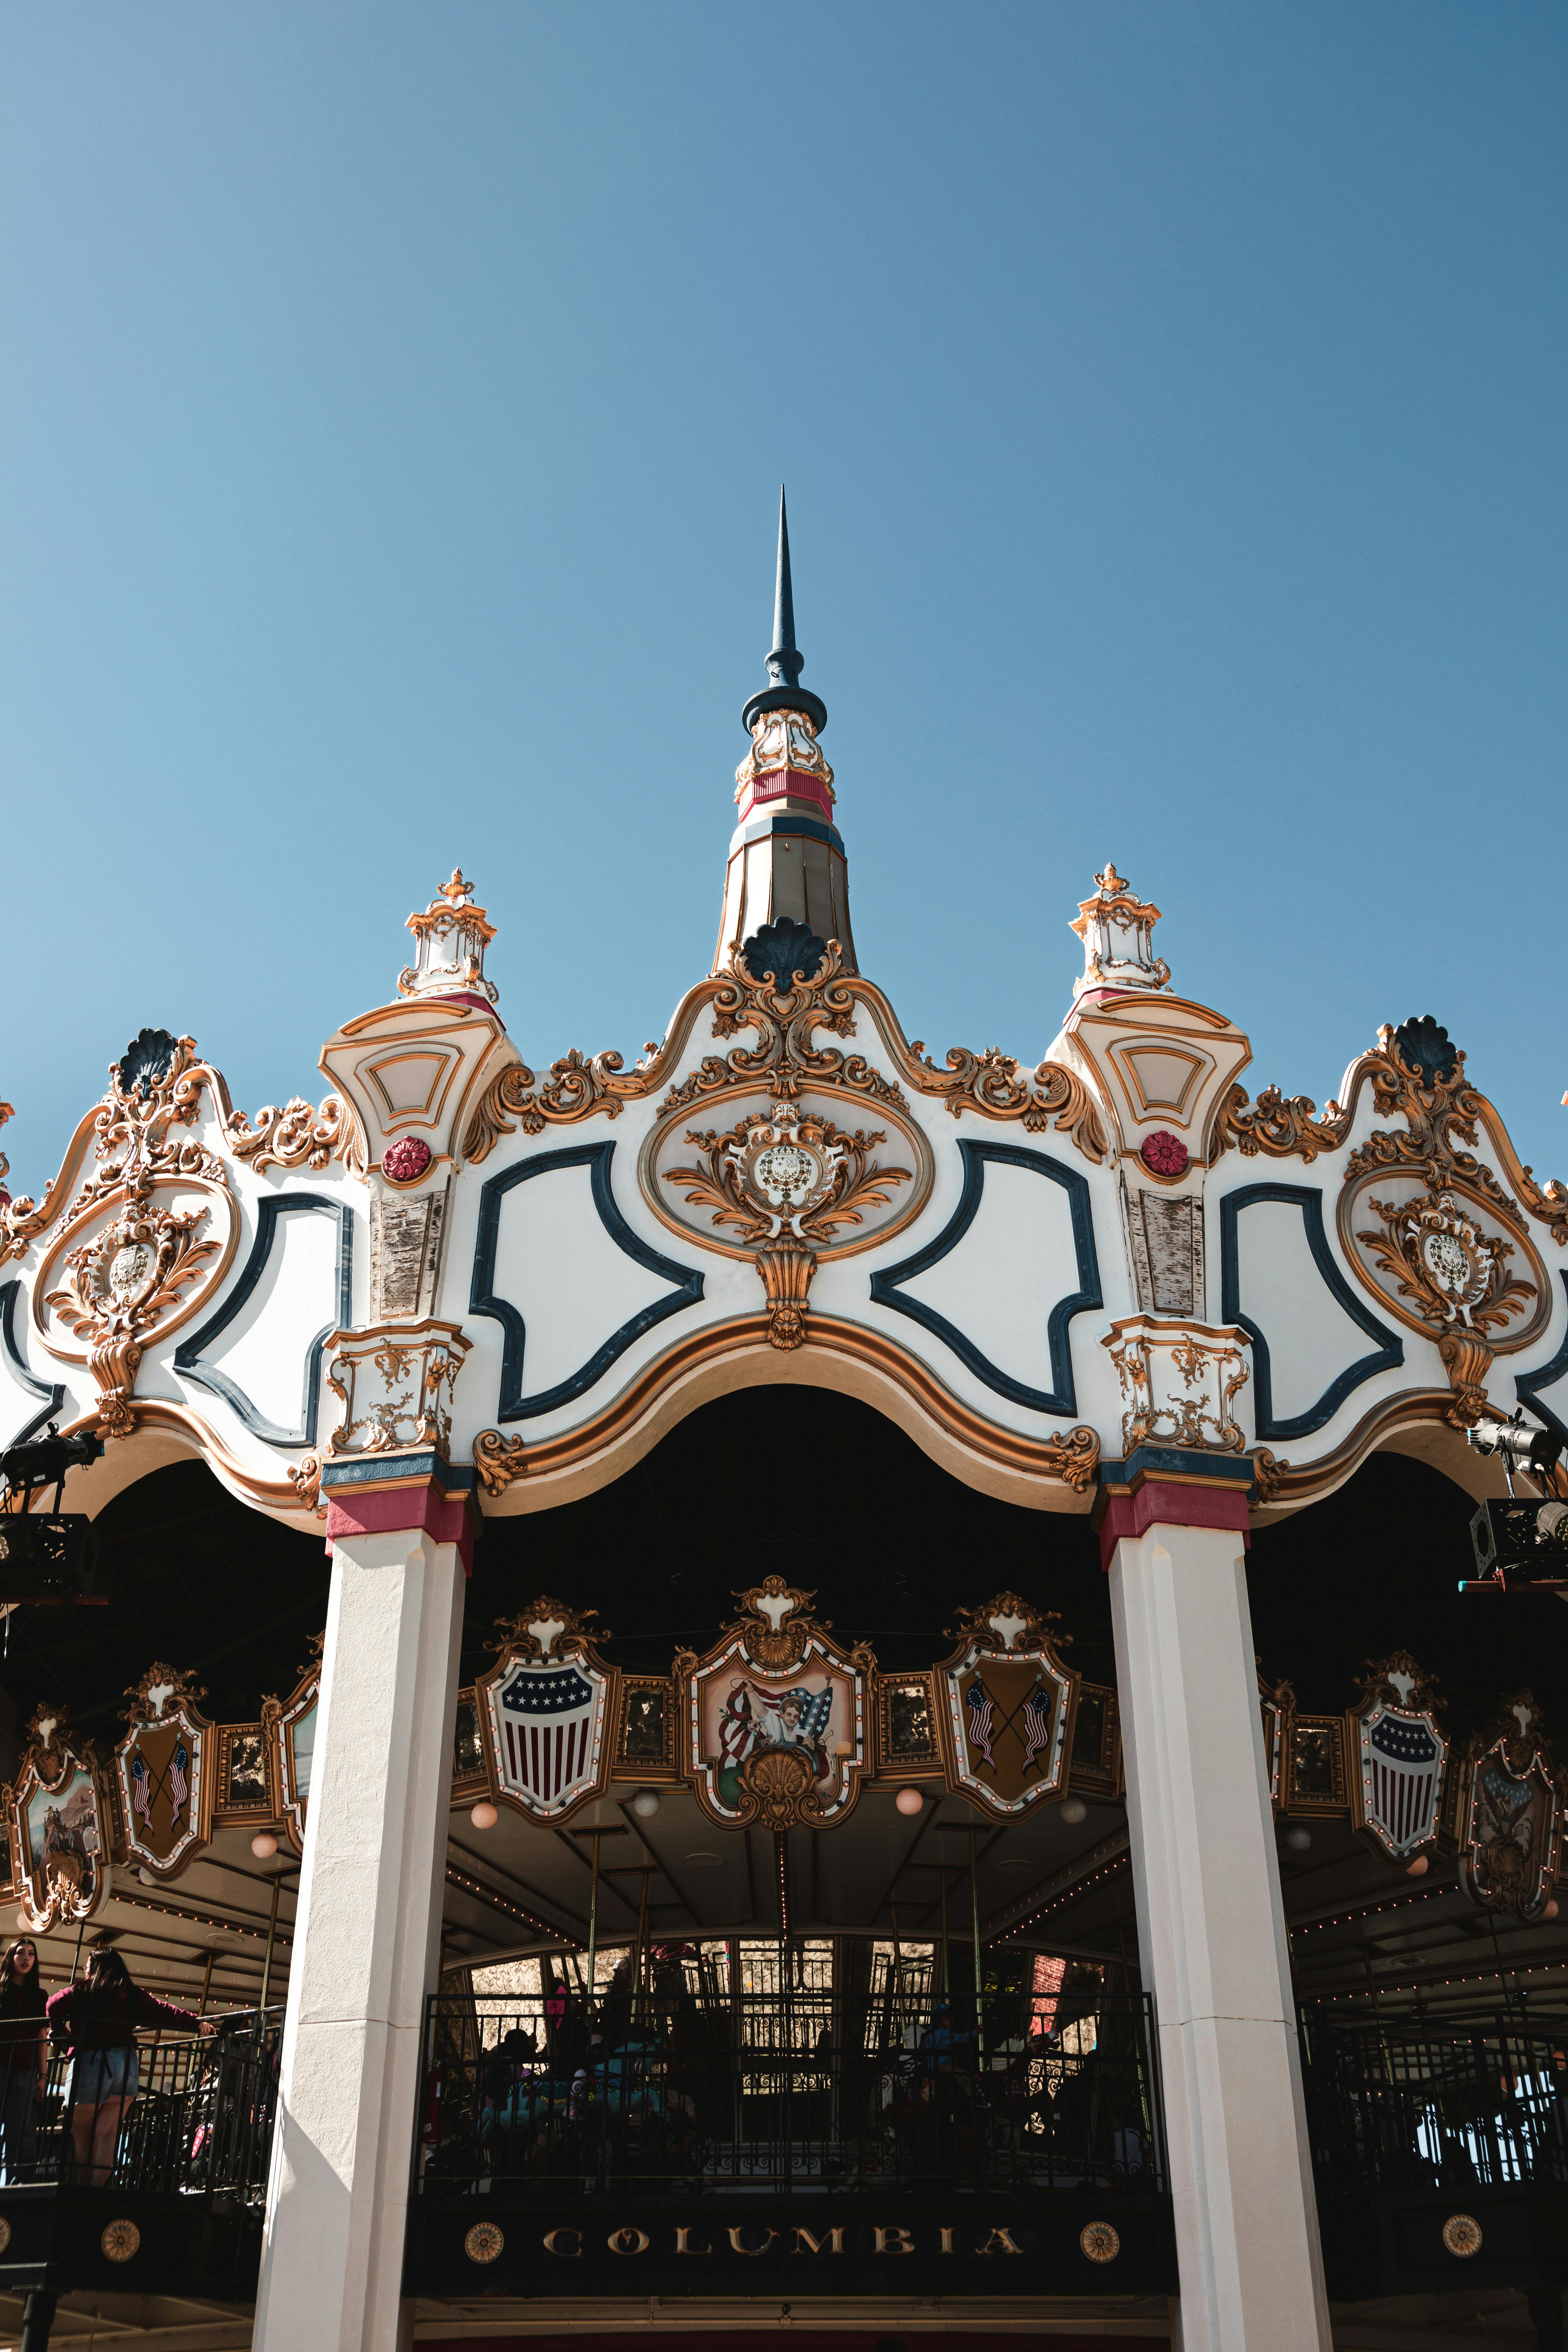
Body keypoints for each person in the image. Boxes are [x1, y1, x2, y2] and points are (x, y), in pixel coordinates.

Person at [46, 1948, 213, 2186]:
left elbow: (53, 2005)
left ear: (95, 1968)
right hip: (126, 2065)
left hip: (92, 2061)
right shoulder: (132, 1994)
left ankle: (82, 2190)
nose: (85, 1969)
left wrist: (60, 2030)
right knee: (107, 2133)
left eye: (88, 1965)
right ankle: (97, 2190)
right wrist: (195, 2022)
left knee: (81, 2130)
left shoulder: (83, 1991)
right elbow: (164, 2011)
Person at [0, 1940, 48, 2183]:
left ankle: (18, 2189)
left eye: (31, 1954)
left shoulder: (38, 1995)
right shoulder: (1, 1989)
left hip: (23, 2069)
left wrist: (43, 2076)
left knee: (22, 2134)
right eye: (21, 1953)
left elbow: (42, 2036)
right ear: (11, 1956)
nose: (26, 1958)